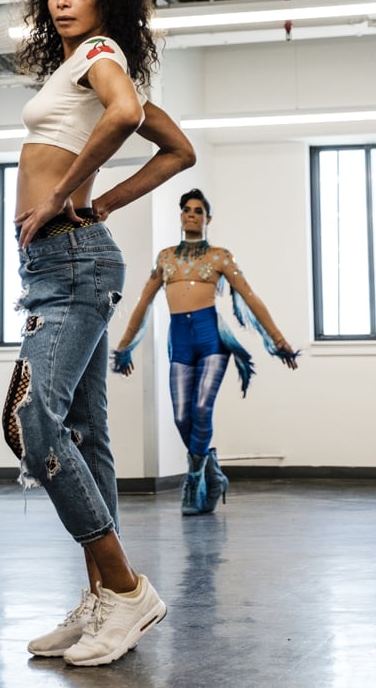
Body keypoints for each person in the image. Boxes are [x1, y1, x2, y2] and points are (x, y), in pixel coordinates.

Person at [2, 0, 195, 668]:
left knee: (29, 420)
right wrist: (102, 199)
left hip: (73, 263)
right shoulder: (78, 66)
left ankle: (125, 588)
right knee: (84, 433)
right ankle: (99, 601)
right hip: (58, 262)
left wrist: (63, 194)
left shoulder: (99, 54)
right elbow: (178, 148)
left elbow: (124, 113)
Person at [112, 188, 298, 516]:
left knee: (201, 407)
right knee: (182, 415)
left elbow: (250, 297)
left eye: (198, 210)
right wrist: (125, 345)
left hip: (212, 340)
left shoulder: (220, 257)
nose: (192, 214)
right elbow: (143, 301)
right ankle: (213, 471)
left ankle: (194, 477)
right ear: (181, 216)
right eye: (186, 209)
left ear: (207, 218)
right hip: (180, 341)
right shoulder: (166, 258)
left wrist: (278, 339)